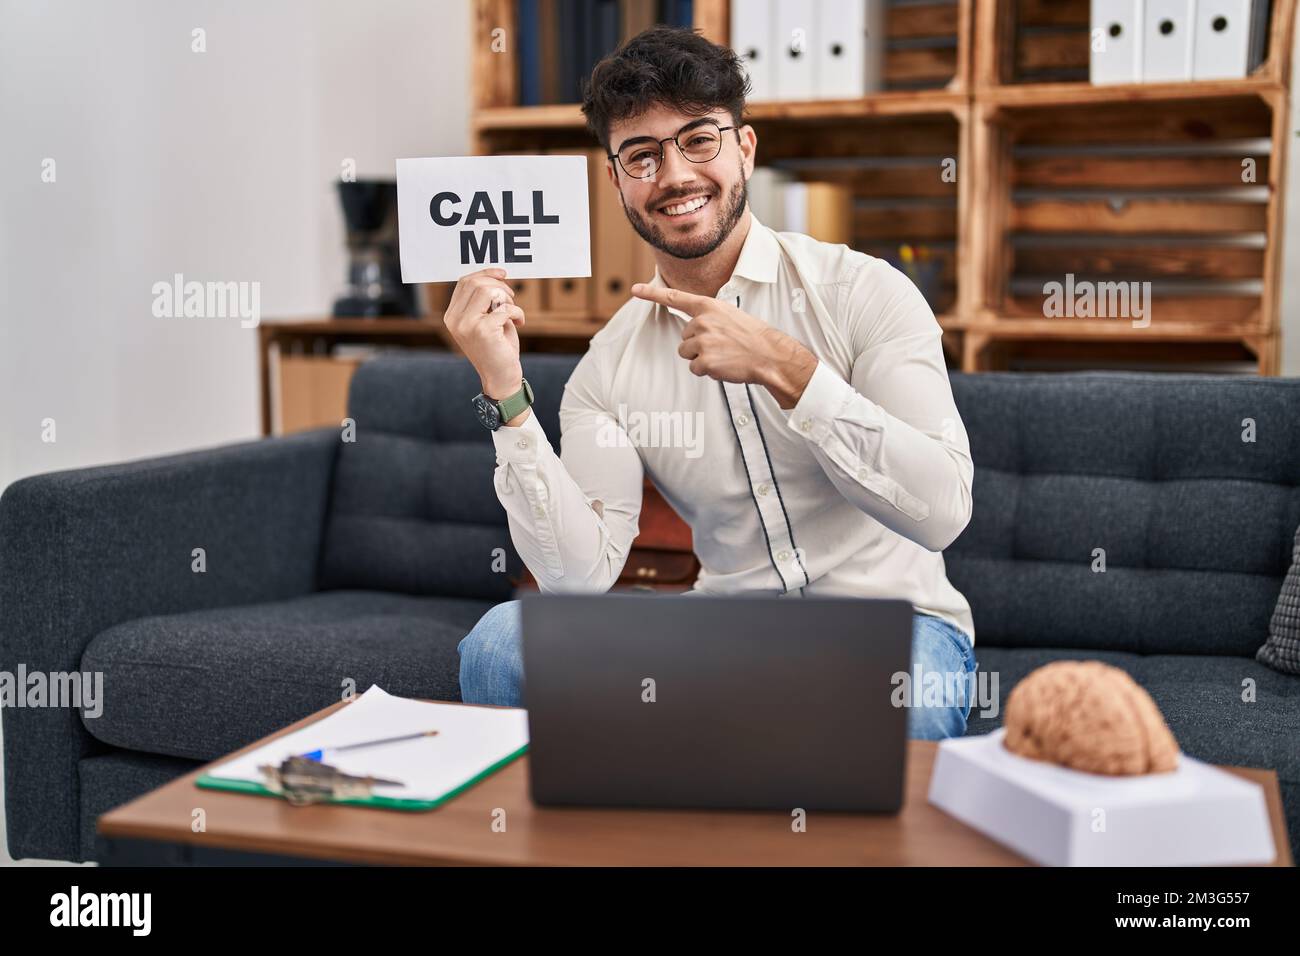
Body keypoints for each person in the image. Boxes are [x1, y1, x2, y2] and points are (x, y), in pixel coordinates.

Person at [445, 25, 977, 738]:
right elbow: (578, 578)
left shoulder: (862, 292)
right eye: (642, 155)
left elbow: (943, 512)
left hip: (896, 629)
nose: (674, 176)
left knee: (898, 699)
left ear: (744, 148)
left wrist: (792, 372)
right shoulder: (608, 368)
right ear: (616, 181)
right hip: (727, 629)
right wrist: (506, 393)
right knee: (502, 643)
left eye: (699, 139)